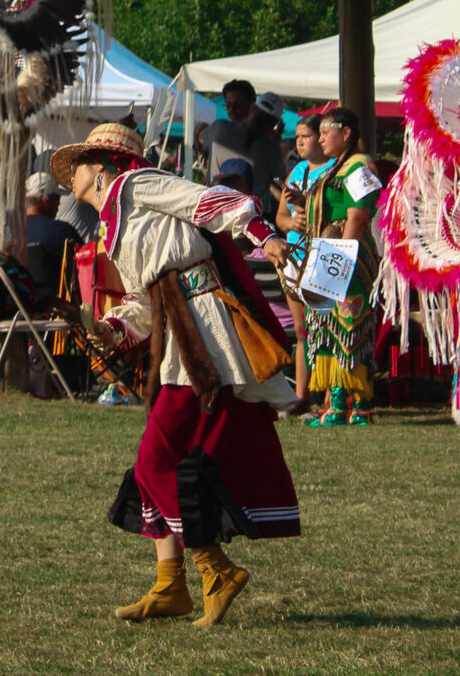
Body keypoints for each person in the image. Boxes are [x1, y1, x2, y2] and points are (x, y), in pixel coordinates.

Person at [51, 122, 299, 628]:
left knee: (156, 457)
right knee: (155, 463)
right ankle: (172, 585)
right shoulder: (111, 226)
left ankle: (214, 569)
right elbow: (143, 300)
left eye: (76, 165)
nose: (67, 176)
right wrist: (105, 328)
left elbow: (210, 202)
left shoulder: (137, 184)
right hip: (177, 333)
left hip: (204, 333)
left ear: (101, 166)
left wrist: (264, 235)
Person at [297, 107, 383, 427]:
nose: (319, 137)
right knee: (327, 326)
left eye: (325, 131)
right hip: (329, 250)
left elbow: (358, 217)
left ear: (346, 133)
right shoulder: (336, 168)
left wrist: (341, 261)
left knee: (348, 324)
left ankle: (358, 406)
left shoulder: (359, 167)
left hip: (346, 251)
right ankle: (335, 404)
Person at [274, 114, 331, 416]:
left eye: (305, 136)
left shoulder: (336, 170)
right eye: (297, 137)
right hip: (295, 255)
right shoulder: (296, 170)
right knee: (301, 329)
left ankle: (331, 395)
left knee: (326, 325)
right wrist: (291, 221)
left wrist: (310, 211)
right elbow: (280, 218)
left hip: (324, 253)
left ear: (321, 138)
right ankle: (301, 397)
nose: (299, 142)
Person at [23, 171, 81, 273]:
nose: (59, 203)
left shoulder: (15, 232)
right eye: (57, 197)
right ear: (46, 198)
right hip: (56, 288)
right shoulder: (62, 231)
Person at [200, 79, 255, 178]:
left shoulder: (219, 128)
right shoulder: (219, 129)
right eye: (228, 106)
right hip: (218, 192)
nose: (232, 110)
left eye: (237, 105)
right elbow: (199, 135)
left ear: (251, 106)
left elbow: (199, 135)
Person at [243, 92, 287, 211]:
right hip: (255, 212)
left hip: (220, 209)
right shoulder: (271, 149)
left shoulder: (224, 130)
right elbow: (279, 178)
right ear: (275, 122)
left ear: (251, 109)